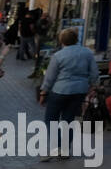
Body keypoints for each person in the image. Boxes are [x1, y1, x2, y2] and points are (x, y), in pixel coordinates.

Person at [38, 28, 97, 161]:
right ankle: (64, 149)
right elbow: (94, 73)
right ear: (76, 39)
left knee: (51, 119)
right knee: (68, 119)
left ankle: (55, 149)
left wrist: (43, 92)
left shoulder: (58, 56)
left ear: (61, 41)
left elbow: (50, 76)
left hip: (60, 90)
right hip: (79, 91)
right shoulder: (87, 53)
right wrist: (92, 86)